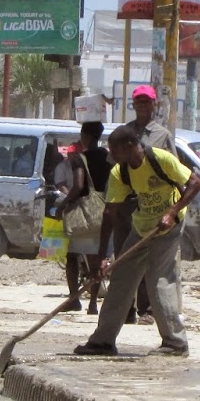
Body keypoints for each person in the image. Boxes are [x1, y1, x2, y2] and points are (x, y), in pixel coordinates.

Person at [74, 125, 200, 358]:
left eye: (114, 149)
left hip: (169, 227)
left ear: (129, 146)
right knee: (121, 279)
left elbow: (195, 183)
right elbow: (109, 213)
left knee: (158, 280)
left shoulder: (159, 159)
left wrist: (172, 212)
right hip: (142, 226)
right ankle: (103, 341)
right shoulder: (120, 172)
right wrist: (102, 257)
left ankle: (175, 343)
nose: (111, 154)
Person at [121, 86, 174, 322]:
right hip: (128, 204)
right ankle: (126, 310)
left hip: (153, 205)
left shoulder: (162, 135)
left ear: (154, 105)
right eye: (138, 102)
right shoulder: (125, 132)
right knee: (125, 259)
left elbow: (174, 171)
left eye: (146, 102)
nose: (142, 106)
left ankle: (148, 309)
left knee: (151, 261)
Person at [58, 121, 110, 314]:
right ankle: (93, 303)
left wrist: (63, 205)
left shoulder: (79, 158)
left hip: (85, 213)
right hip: (103, 212)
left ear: (85, 136)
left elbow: (78, 186)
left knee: (72, 257)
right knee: (96, 260)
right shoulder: (108, 156)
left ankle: (74, 299)